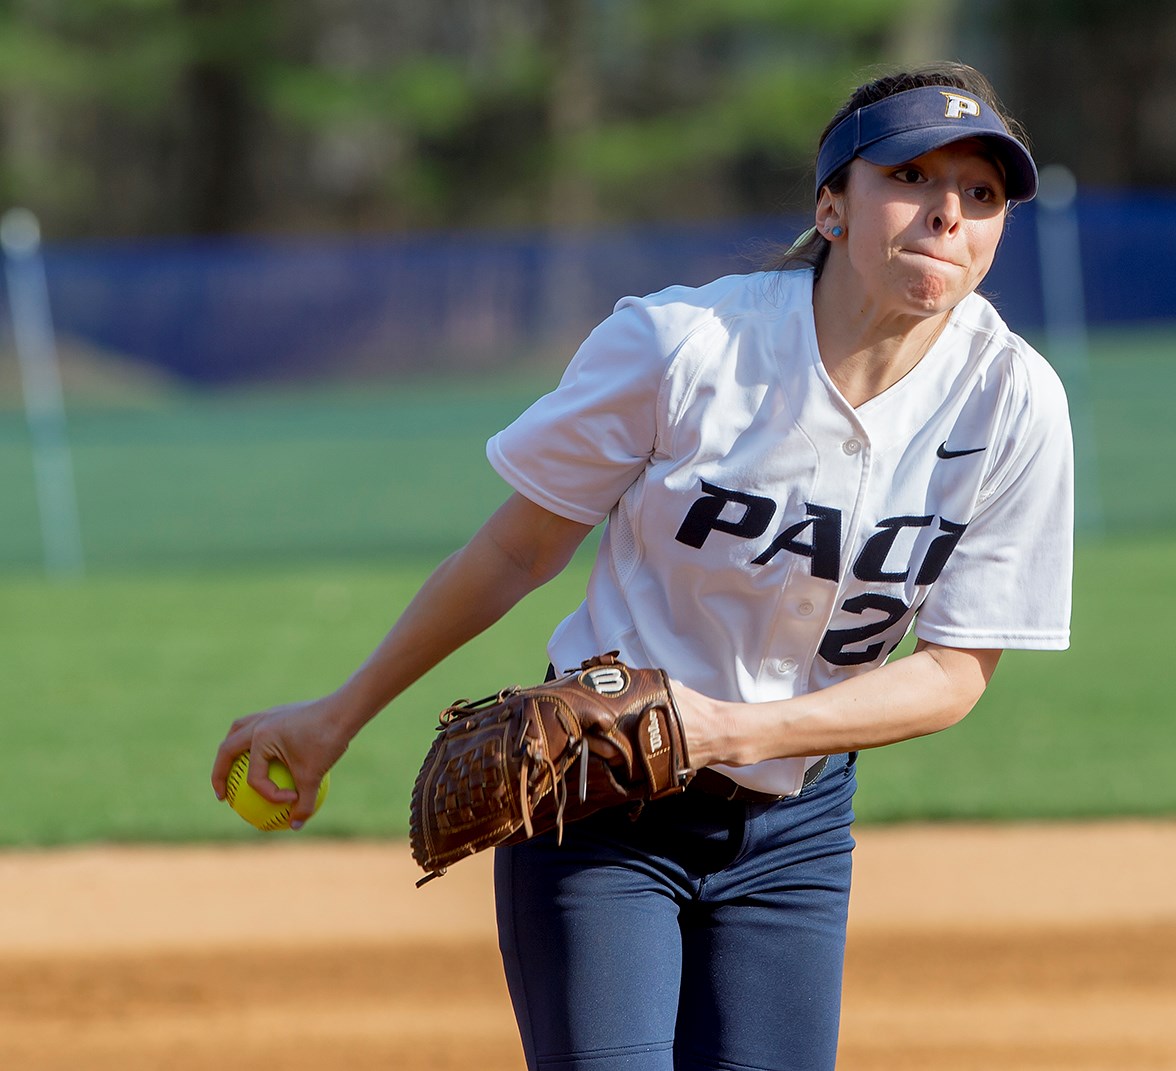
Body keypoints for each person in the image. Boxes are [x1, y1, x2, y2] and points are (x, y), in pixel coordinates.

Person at [211, 60, 1073, 1071]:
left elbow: (956, 671)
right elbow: (513, 549)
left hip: (794, 835)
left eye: (980, 195)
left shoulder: (1014, 401)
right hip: (600, 799)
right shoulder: (684, 346)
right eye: (911, 178)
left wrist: (732, 730)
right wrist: (337, 714)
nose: (946, 214)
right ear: (833, 207)